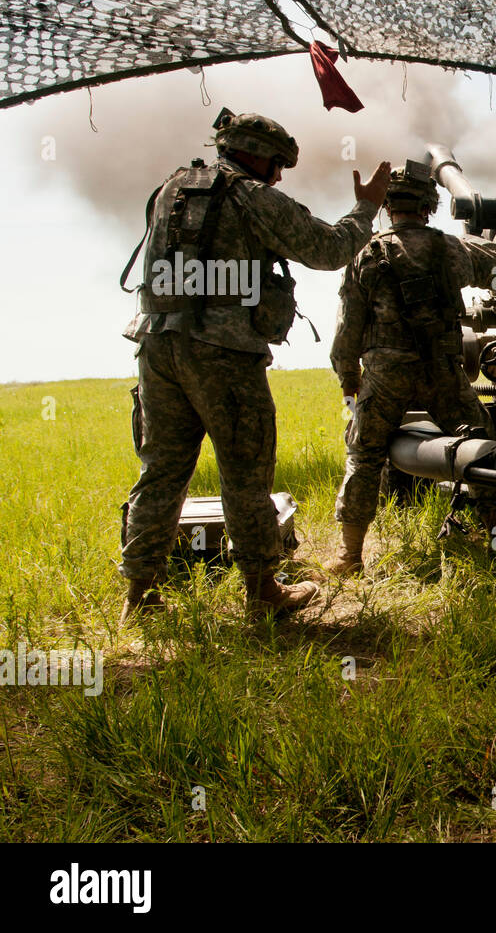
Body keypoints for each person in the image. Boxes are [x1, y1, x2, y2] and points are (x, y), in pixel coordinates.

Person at [119, 107, 391, 619]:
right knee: (244, 473)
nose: (281, 175)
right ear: (259, 157)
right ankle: (263, 592)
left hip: (157, 346)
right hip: (223, 355)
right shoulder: (251, 197)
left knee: (161, 471)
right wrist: (365, 207)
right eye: (278, 164)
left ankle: (139, 597)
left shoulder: (170, 189)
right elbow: (330, 249)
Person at [327, 160, 496, 575]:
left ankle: (349, 557)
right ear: (429, 206)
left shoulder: (366, 255)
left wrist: (349, 383)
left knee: (364, 454)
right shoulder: (452, 249)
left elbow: (346, 334)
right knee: (481, 450)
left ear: (388, 207)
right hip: (444, 372)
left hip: (386, 376)